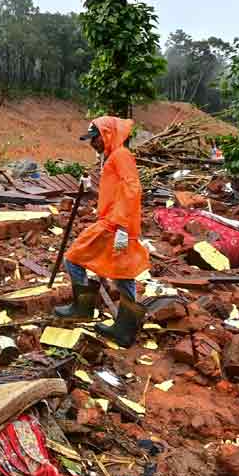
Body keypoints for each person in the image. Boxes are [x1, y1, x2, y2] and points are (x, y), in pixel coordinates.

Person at [54, 116, 150, 346]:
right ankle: (124, 329)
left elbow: (132, 188)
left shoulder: (121, 155)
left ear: (106, 134)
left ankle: (83, 309)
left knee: (73, 257)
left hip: (114, 224)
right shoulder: (114, 155)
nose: (92, 143)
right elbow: (117, 188)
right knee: (122, 272)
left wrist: (121, 226)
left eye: (94, 138)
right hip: (115, 222)